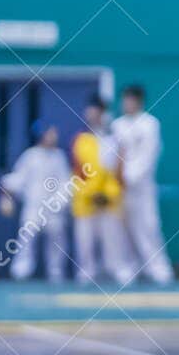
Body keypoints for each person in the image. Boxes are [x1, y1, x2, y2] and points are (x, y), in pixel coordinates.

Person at [112, 85, 174, 285]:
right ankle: (127, 270)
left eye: (130, 100)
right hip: (120, 189)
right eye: (124, 99)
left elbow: (149, 156)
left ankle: (159, 270)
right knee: (122, 230)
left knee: (149, 227)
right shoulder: (118, 125)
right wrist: (116, 179)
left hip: (142, 189)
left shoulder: (150, 124)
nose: (126, 104)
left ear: (138, 101)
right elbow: (112, 156)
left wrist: (128, 177)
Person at [71, 98, 135, 286]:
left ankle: (119, 269)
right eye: (90, 111)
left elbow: (117, 171)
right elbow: (78, 171)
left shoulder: (113, 139)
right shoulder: (80, 140)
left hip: (109, 200)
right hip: (85, 200)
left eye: (96, 111)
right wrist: (89, 194)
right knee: (85, 239)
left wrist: (108, 194)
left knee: (113, 237)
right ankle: (86, 271)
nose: (92, 115)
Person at [0, 123, 72, 283]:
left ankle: (56, 273)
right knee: (26, 239)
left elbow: (65, 182)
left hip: (54, 209)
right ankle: (21, 272)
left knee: (57, 242)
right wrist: (7, 188)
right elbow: (19, 177)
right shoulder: (30, 155)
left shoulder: (59, 156)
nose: (53, 136)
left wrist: (60, 202)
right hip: (33, 206)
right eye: (50, 133)